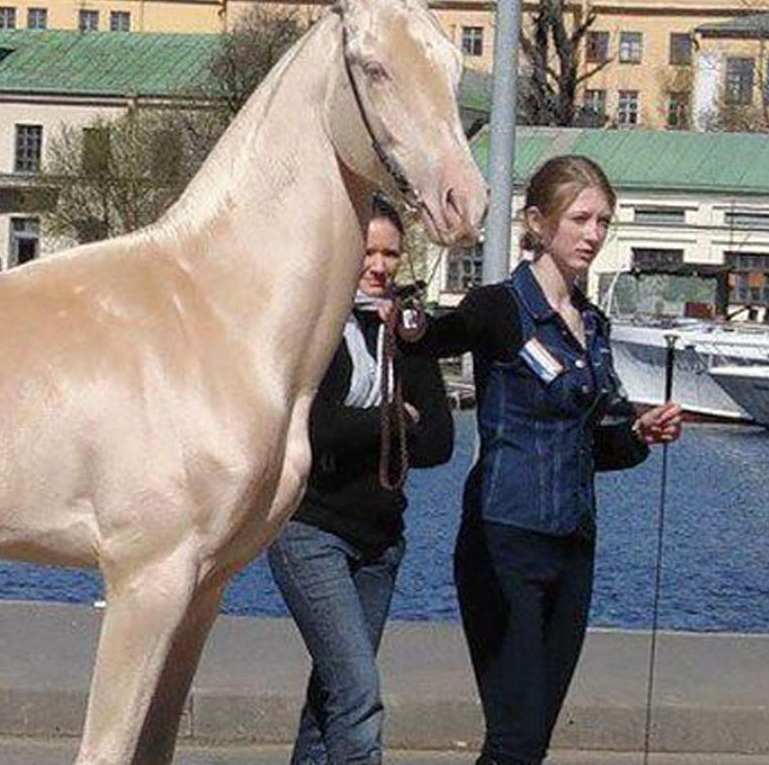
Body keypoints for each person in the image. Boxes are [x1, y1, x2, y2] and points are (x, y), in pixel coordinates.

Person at [410, 156, 683, 765]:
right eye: (580, 218)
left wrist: (639, 432)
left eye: (603, 221)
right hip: (502, 542)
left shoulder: (592, 324)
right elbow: (430, 337)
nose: (593, 234)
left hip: (572, 546)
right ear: (538, 222)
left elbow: (596, 445)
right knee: (517, 738)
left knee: (529, 744)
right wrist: (396, 309)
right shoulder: (499, 308)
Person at [268, 197, 456, 765]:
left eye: (390, 254)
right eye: (367, 251)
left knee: (331, 695)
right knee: (358, 694)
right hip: (310, 532)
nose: (378, 265)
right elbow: (315, 429)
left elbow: (441, 443)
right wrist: (394, 420)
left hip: (380, 541)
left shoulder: (406, 331)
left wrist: (370, 429)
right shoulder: (314, 325)